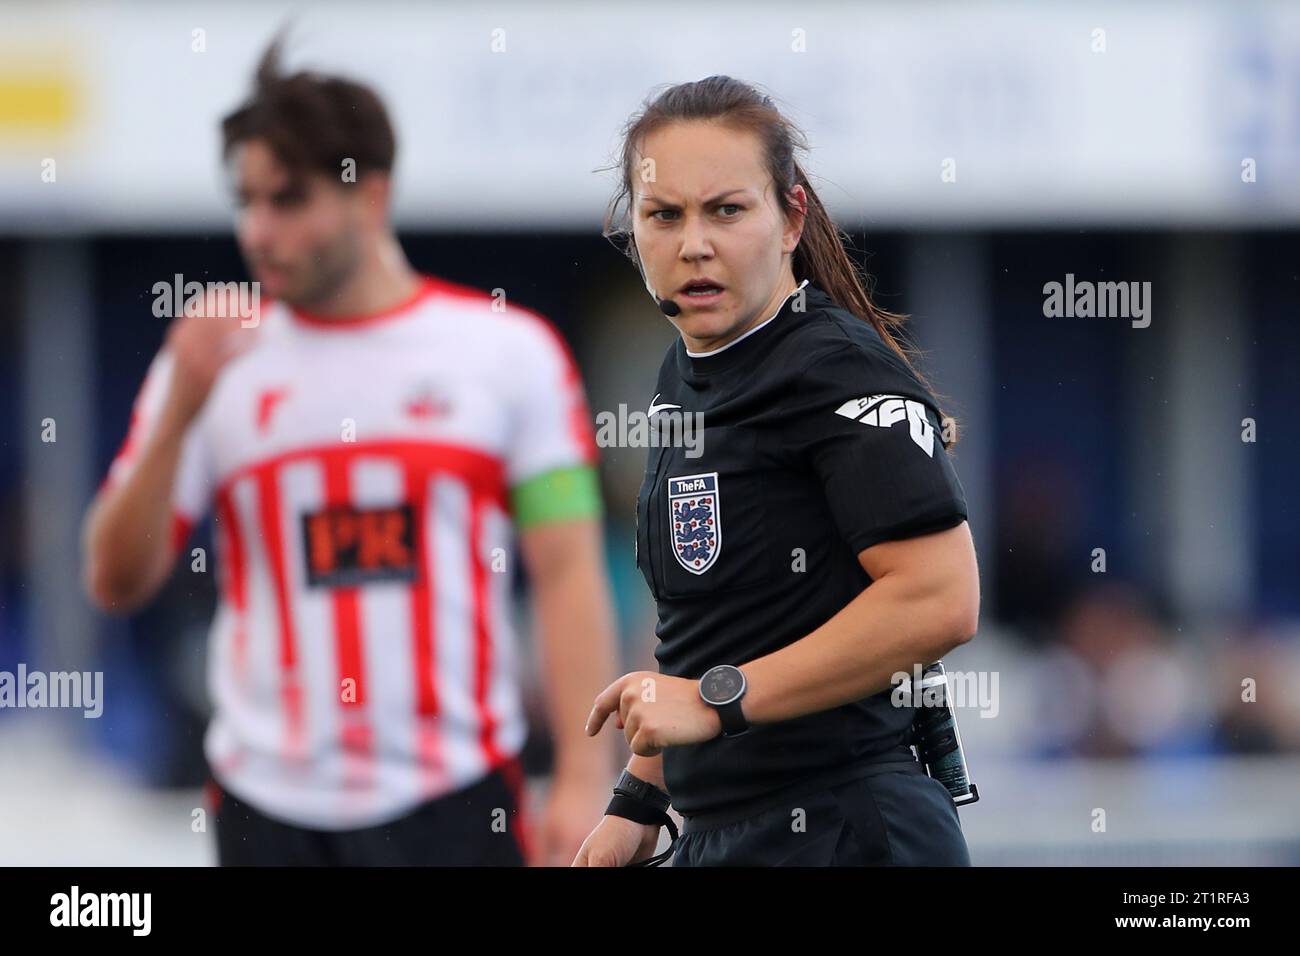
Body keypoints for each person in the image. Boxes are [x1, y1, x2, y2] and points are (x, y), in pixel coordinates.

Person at [80, 39, 618, 866]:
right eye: (246, 200)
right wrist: (180, 407)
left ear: (369, 195)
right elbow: (113, 581)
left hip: (455, 797)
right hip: (264, 808)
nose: (258, 230)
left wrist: (586, 780)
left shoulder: (509, 352)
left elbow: (567, 571)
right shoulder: (209, 361)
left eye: (287, 200)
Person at [575, 76, 980, 866]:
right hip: (726, 832)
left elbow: (942, 599)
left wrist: (715, 700)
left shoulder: (836, 369)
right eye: (665, 215)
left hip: (848, 829)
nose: (695, 243)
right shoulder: (681, 376)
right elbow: (707, 627)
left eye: (727, 210)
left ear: (790, 218)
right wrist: (639, 799)